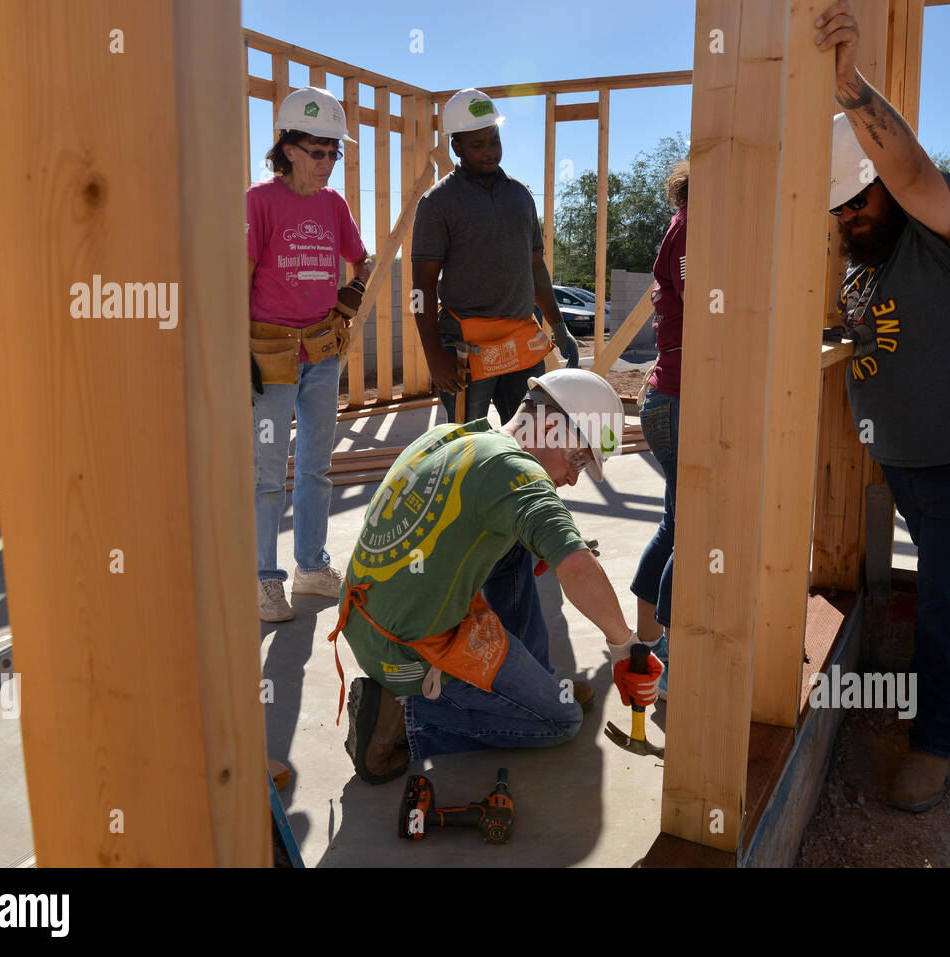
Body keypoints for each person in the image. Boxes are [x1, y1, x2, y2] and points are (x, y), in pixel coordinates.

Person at [815, 2, 950, 812]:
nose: (850, 217)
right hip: (908, 452)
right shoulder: (863, 257)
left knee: (941, 592)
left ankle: (936, 738)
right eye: (838, 209)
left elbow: (910, 171)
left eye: (859, 201)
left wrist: (850, 89)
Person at [329, 369, 662, 784]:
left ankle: (534, 684)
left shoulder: (456, 437)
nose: (574, 477)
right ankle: (404, 717)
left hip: (367, 617)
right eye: (578, 458)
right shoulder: (516, 474)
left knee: (517, 548)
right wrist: (623, 645)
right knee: (562, 721)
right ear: (552, 427)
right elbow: (576, 565)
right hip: (407, 655)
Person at [249, 86, 371, 622]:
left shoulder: (333, 205)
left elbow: (360, 259)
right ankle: (262, 578)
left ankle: (311, 567)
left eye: (333, 153)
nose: (326, 163)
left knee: (317, 468)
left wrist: (352, 293)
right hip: (270, 355)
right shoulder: (259, 200)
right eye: (317, 151)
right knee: (267, 473)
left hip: (321, 353)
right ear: (289, 148)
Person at [412, 87, 580, 426]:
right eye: (477, 145)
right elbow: (422, 288)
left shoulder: (520, 196)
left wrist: (559, 325)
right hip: (466, 344)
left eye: (495, 141)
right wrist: (434, 356)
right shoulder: (437, 203)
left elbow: (535, 268)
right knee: (470, 442)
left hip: (520, 340)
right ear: (455, 146)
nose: (490, 152)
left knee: (531, 439)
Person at [629, 160, 688, 702]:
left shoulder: (684, 222)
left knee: (676, 524)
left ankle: (647, 644)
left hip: (669, 396)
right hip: (677, 399)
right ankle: (667, 656)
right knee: (692, 528)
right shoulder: (695, 228)